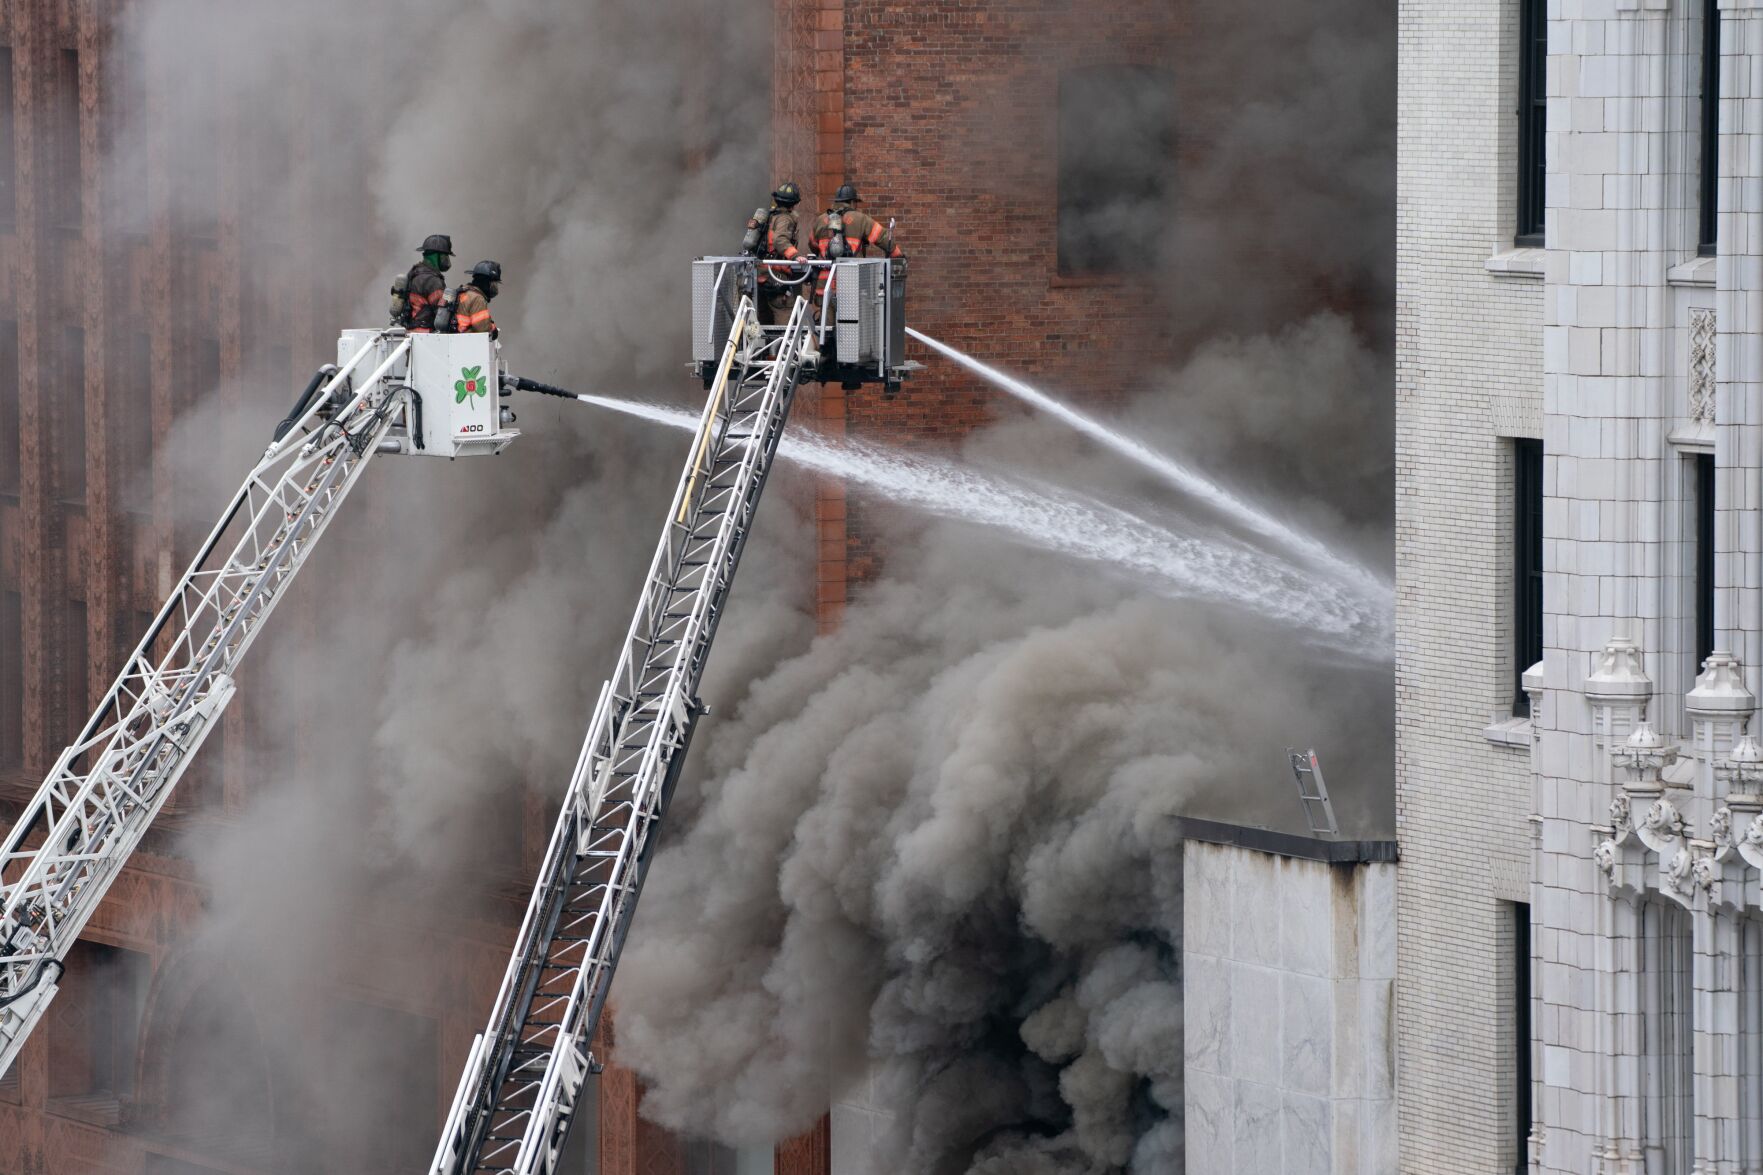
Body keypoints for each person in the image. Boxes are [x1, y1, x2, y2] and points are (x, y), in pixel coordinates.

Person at [809, 184, 903, 304]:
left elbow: (811, 243)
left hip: (825, 286)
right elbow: (883, 238)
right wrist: (899, 255)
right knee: (850, 321)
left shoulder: (821, 220)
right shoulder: (861, 220)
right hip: (851, 285)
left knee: (826, 322)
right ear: (853, 202)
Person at [752, 181, 806, 324]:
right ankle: (783, 345)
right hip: (776, 277)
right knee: (786, 315)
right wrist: (796, 256)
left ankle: (766, 347)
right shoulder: (785, 218)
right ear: (794, 203)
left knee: (762, 320)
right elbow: (780, 240)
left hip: (760, 276)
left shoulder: (770, 216)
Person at [401, 233, 454, 332]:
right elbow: (442, 310)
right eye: (445, 255)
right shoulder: (432, 281)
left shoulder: (414, 273)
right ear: (437, 255)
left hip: (412, 331)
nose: (447, 260)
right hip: (427, 335)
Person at [455, 261, 502, 337]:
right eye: (494, 282)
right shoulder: (477, 298)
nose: (495, 287)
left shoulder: (464, 292)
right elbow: (482, 327)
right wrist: (493, 328)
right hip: (467, 342)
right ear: (487, 281)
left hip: (457, 338)